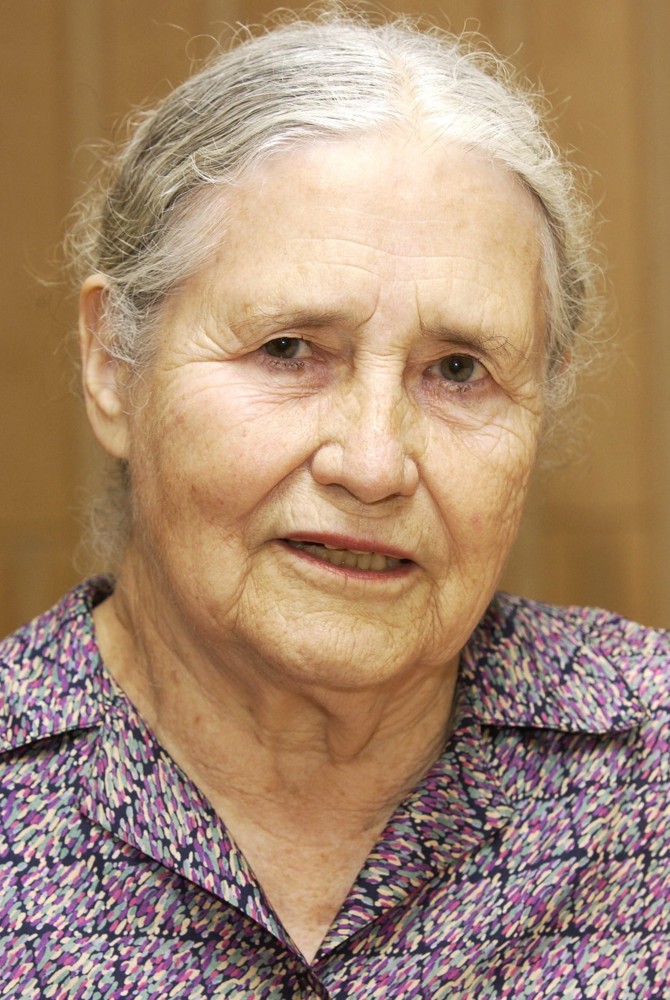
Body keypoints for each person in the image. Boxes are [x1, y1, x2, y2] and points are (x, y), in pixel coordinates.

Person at [1, 13, 668, 998]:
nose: (373, 463)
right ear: (112, 364)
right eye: (288, 350)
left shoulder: (649, 768)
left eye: (457, 369)